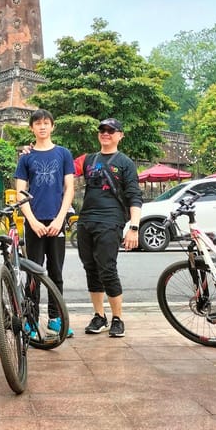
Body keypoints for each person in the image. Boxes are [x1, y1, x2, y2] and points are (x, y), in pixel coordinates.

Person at [76, 118, 143, 338]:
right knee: (91, 268)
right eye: (102, 130)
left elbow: (134, 196)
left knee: (107, 268)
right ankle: (99, 316)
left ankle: (117, 318)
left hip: (111, 220)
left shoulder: (125, 163)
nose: (105, 133)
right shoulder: (89, 159)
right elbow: (62, 168)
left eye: (111, 131)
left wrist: (134, 227)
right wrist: (31, 152)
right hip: (86, 220)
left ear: (120, 135)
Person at [14, 109, 76, 337]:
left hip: (57, 221)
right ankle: (31, 320)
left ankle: (55, 319)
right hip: (34, 223)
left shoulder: (63, 154)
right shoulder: (26, 158)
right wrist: (32, 221)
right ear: (32, 128)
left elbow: (69, 188)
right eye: (37, 123)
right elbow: (21, 192)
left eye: (46, 123)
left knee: (56, 272)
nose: (42, 127)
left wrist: (60, 218)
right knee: (33, 273)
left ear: (52, 127)